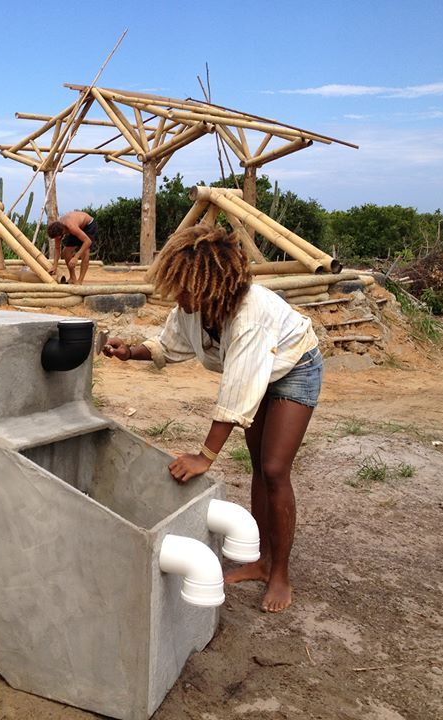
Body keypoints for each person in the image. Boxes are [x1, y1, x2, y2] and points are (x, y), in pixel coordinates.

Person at [102, 225, 323, 613]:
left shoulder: (249, 315)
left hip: (294, 368)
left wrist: (205, 455)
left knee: (274, 469)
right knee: (258, 468)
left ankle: (281, 574)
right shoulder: (193, 309)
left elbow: (237, 391)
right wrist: (130, 352)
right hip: (259, 376)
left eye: (185, 288)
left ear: (213, 283)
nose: (178, 296)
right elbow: (167, 346)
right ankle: (261, 559)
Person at [47, 210, 97, 285]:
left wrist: (76, 257)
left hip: (88, 225)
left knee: (85, 252)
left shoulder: (71, 227)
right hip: (77, 227)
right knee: (66, 252)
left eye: (58, 238)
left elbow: (88, 241)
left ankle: (80, 281)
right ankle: (72, 278)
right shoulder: (57, 229)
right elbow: (57, 249)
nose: (57, 239)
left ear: (62, 232)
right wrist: (55, 266)